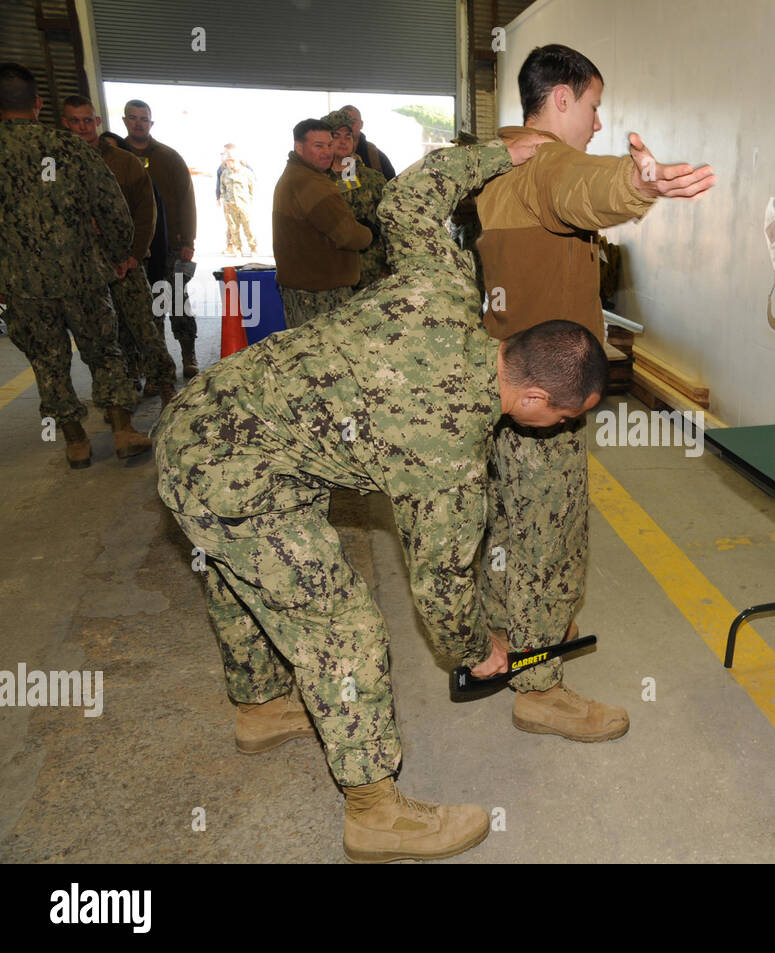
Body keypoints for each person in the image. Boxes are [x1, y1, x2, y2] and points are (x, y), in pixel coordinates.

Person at [155, 135, 597, 862]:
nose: (560, 429)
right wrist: (478, 647)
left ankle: (264, 706)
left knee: (248, 575)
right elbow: (441, 587)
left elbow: (407, 198)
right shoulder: (450, 454)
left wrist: (499, 152)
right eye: (564, 418)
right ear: (535, 396)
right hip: (231, 469)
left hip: (209, 415)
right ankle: (373, 808)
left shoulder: (447, 286)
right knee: (343, 623)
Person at [474, 43, 716, 741]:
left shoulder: (495, 160)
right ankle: (540, 684)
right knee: (547, 541)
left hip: (505, 382)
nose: (599, 121)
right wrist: (639, 184)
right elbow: (583, 186)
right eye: (593, 104)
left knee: (504, 530)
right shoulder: (544, 164)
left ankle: (517, 631)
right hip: (544, 404)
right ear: (560, 99)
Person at [0, 63, 153, 467]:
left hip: (22, 287)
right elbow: (112, 208)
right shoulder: (68, 148)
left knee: (47, 362)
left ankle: (75, 442)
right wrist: (121, 256)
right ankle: (122, 431)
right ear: (37, 104)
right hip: (81, 277)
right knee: (104, 352)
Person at [60, 95, 177, 404]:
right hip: (81, 271)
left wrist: (134, 255)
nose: (82, 127)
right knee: (102, 336)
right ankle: (122, 390)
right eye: (75, 120)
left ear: (98, 122)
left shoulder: (124, 162)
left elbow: (146, 212)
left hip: (124, 264)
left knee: (145, 328)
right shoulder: (56, 163)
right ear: (64, 122)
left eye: (88, 120)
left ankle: (165, 383)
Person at [121, 98, 199, 378]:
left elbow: (187, 200)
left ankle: (188, 354)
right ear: (125, 122)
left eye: (144, 118)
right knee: (146, 309)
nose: (138, 123)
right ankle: (157, 365)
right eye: (133, 118)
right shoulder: (117, 158)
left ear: (151, 123)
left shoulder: (169, 157)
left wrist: (188, 241)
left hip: (168, 246)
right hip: (132, 249)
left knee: (178, 301)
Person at [271, 118, 372, 328]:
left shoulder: (298, 175)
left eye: (329, 145)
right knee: (326, 355)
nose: (327, 151)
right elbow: (347, 235)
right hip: (319, 293)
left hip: (307, 287)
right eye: (318, 146)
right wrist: (369, 233)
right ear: (299, 147)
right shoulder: (310, 182)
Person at [322, 109, 387, 288]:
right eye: (336, 136)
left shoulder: (373, 179)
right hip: (331, 275)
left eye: (348, 136)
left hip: (370, 275)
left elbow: (388, 225)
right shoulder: (316, 180)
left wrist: (388, 264)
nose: (343, 141)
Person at [338, 105, 396, 180]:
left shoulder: (374, 155)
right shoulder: (328, 154)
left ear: (361, 124)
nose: (349, 125)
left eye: (353, 121)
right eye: (344, 121)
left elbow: (391, 185)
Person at [217, 149, 257, 256]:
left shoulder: (247, 173)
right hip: (230, 205)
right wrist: (224, 200)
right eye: (228, 161)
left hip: (244, 204)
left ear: (237, 160)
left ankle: (253, 248)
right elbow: (222, 188)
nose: (229, 163)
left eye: (232, 161)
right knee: (233, 228)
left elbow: (252, 188)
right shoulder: (225, 173)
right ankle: (237, 249)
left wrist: (250, 201)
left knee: (249, 227)